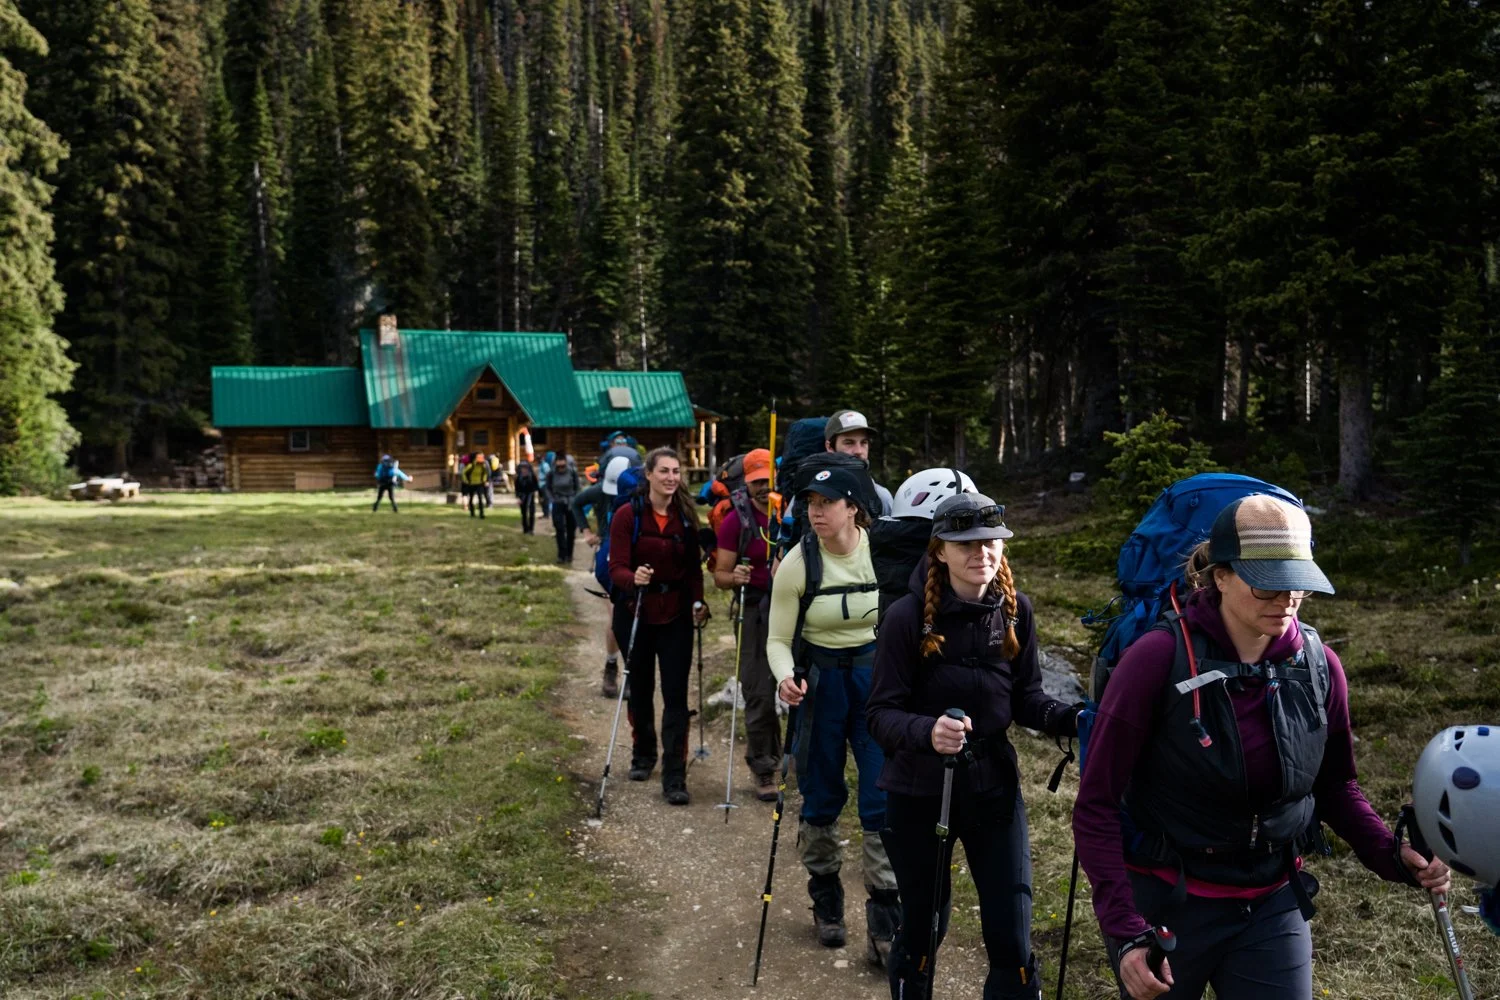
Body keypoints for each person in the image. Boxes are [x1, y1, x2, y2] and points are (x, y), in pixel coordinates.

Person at [1073, 495, 1451, 1000]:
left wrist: (1391, 855)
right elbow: (1096, 805)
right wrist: (1125, 933)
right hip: (1167, 903)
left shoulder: (1319, 665)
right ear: (1220, 576)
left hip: (1273, 899)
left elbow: (1336, 785)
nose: (1286, 597)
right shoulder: (1156, 660)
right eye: (1266, 581)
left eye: (1297, 581)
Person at [868, 494, 1078, 999]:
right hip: (920, 790)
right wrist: (928, 733)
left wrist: (1069, 718)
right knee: (923, 928)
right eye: (965, 543)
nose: (980, 553)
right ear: (939, 550)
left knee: (1012, 933)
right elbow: (879, 713)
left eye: (991, 542)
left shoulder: (1015, 611)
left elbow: (1026, 699)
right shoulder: (906, 617)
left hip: (993, 788)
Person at [767, 466, 900, 964]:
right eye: (809, 502)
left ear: (853, 507)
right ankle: (827, 901)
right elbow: (779, 640)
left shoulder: (880, 551)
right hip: (819, 683)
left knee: (880, 797)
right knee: (820, 795)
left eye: (826, 501)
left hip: (874, 681)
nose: (814, 511)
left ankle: (885, 920)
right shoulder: (798, 563)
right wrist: (785, 676)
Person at [607, 447, 708, 805]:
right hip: (634, 612)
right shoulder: (627, 515)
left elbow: (695, 572)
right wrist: (633, 577)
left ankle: (675, 776)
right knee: (640, 686)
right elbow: (615, 567)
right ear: (648, 474)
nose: (670, 477)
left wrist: (699, 603)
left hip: (676, 614)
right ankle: (643, 753)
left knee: (676, 695)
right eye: (663, 471)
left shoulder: (685, 517)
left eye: (676, 471)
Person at [710, 448, 779, 802]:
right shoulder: (737, 520)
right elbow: (719, 576)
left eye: (769, 480)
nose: (764, 488)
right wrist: (735, 576)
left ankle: (784, 760)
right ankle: (763, 768)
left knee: (797, 690)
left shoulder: (791, 513)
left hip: (793, 609)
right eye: (757, 482)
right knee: (759, 692)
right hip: (752, 610)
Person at [576, 454, 640, 696]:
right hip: (610, 557)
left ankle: (633, 670)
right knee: (617, 618)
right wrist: (586, 531)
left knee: (639, 620)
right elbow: (576, 503)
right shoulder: (598, 492)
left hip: (638, 560)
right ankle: (612, 666)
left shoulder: (645, 497)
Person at [825, 410, 894, 516]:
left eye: (864, 442)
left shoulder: (881, 497)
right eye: (849, 443)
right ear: (830, 447)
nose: (859, 451)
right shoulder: (811, 492)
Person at [547, 454, 581, 564]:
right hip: (558, 502)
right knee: (559, 528)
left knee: (571, 529)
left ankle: (569, 554)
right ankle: (561, 555)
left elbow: (578, 487)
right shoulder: (551, 473)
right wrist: (552, 499)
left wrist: (575, 499)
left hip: (571, 502)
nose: (561, 467)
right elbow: (547, 488)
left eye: (563, 465)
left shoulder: (572, 472)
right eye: (559, 465)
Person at [514, 459, 540, 534]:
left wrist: (537, 495)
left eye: (525, 468)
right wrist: (518, 497)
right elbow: (517, 489)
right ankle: (525, 529)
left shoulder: (532, 476)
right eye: (522, 468)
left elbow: (536, 486)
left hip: (531, 495)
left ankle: (531, 529)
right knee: (524, 513)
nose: (524, 470)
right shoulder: (518, 478)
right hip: (522, 496)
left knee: (532, 512)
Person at [462, 452, 491, 518]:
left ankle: (481, 514)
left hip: (479, 484)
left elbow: (485, 474)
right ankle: (472, 513)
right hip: (471, 484)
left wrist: (484, 481)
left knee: (480, 498)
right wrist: (466, 481)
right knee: (471, 498)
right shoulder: (471, 466)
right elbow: (464, 473)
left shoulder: (483, 466)